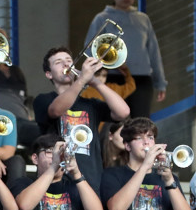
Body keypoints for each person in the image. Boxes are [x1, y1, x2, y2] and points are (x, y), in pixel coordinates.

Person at [33, 46, 130, 196]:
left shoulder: (91, 104)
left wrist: (95, 82)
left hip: (90, 177)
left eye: (69, 61)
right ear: (48, 74)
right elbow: (56, 110)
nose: (66, 65)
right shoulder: (43, 100)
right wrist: (82, 80)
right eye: (58, 62)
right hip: (57, 179)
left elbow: (123, 112)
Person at [84, 0, 166, 118]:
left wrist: (160, 82)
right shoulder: (102, 18)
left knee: (140, 121)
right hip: (113, 77)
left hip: (141, 79)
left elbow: (153, 52)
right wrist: (102, 69)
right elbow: (90, 48)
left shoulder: (143, 19)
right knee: (112, 120)